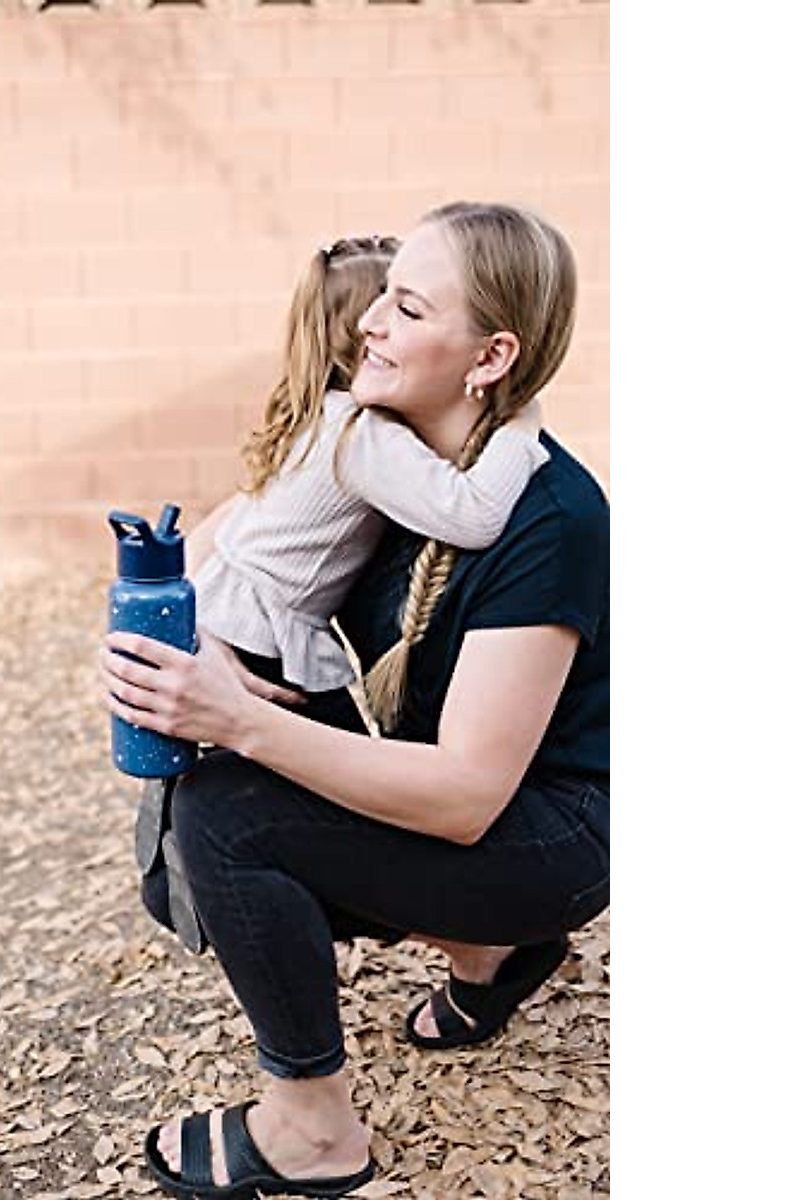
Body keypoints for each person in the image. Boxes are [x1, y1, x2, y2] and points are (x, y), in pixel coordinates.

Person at [100, 201, 609, 1199]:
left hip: (551, 833)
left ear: (491, 357)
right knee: (188, 856)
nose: (370, 321)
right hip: (465, 809)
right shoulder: (385, 461)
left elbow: (467, 794)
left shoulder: (548, 520)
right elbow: (237, 534)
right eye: (383, 296)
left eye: (408, 308)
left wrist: (241, 718)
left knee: (228, 823)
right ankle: (487, 949)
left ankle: (312, 1130)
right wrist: (174, 642)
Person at [136, 234, 549, 955]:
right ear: (362, 336)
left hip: (234, 621)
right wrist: (523, 424)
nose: (391, 323)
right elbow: (472, 515)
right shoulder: (362, 435)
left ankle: (473, 948)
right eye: (393, 307)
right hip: (272, 646)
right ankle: (480, 942)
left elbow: (229, 528)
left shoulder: (312, 416)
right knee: (360, 822)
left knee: (310, 817)